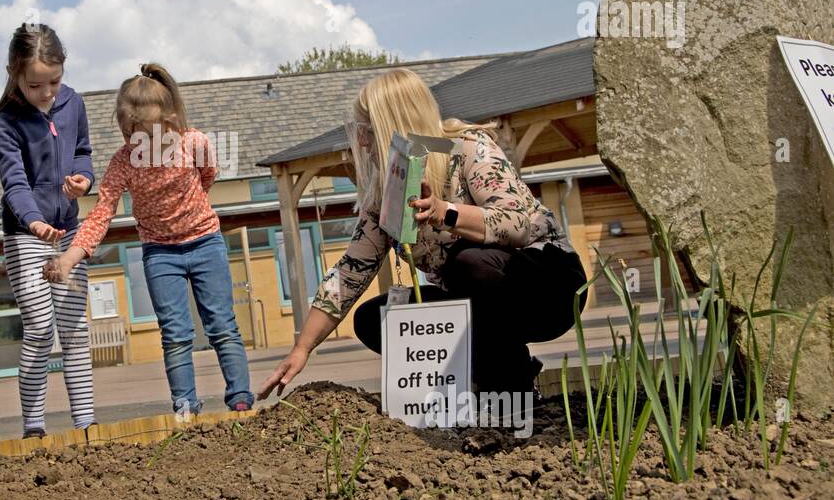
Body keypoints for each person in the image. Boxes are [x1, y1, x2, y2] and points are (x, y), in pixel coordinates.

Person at [259, 68, 587, 401]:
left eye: (367, 130)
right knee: (375, 320)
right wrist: (302, 349)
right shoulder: (385, 194)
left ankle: (509, 386)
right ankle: (493, 378)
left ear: (392, 125)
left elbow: (517, 224)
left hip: (545, 287)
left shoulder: (469, 148)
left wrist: (445, 211)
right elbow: (349, 272)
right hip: (478, 303)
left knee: (470, 264)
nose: (360, 141)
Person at [45, 64, 255, 416]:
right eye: (130, 135)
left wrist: (188, 213)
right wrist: (68, 259)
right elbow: (101, 214)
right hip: (160, 254)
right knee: (175, 332)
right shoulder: (123, 163)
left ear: (170, 122)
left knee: (221, 323)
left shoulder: (195, 143)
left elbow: (208, 178)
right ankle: (185, 404)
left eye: (148, 136)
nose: (138, 143)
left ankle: (240, 396)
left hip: (205, 243)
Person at [0, 23, 98, 438]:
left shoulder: (73, 104)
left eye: (54, 81)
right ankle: (34, 425)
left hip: (69, 231)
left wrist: (82, 182)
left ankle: (85, 422)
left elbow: (83, 154)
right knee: (39, 327)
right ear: (14, 74)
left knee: (73, 328)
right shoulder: (6, 120)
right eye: (36, 85)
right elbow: (14, 180)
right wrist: (33, 221)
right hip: (26, 233)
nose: (48, 92)